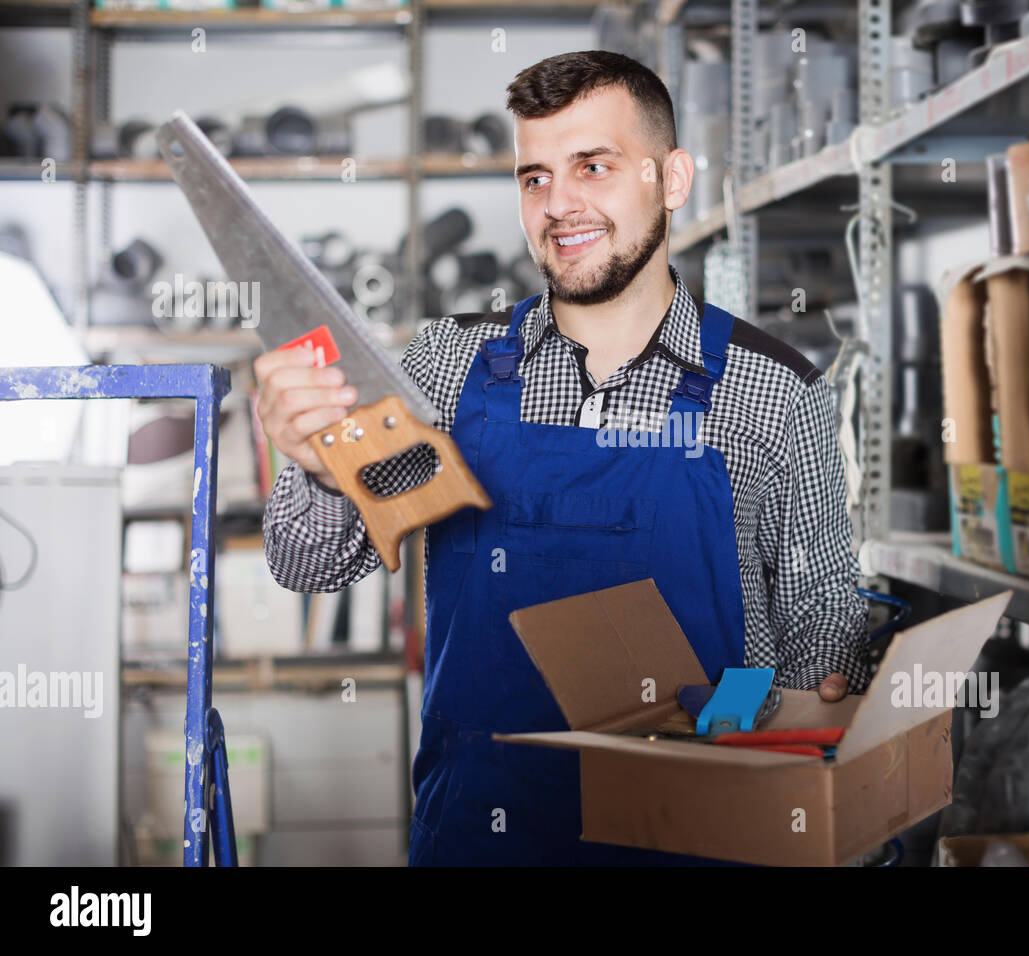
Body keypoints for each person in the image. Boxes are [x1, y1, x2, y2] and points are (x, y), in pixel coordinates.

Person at [253, 50, 873, 865]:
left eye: (594, 166)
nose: (560, 204)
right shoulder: (447, 368)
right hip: (482, 834)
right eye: (535, 177)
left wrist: (811, 700)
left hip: (700, 838)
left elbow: (821, 608)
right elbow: (309, 564)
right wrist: (310, 461)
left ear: (672, 178)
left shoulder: (774, 392)